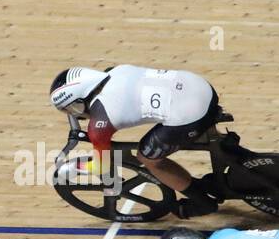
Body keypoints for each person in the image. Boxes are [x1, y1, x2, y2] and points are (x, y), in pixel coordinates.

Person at [50, 65, 224, 217]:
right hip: (197, 85)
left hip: (192, 113)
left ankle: (203, 203)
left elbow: (99, 167)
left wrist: (73, 167)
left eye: (73, 109)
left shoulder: (100, 125)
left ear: (81, 101)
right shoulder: (114, 71)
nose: (76, 115)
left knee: (148, 158)